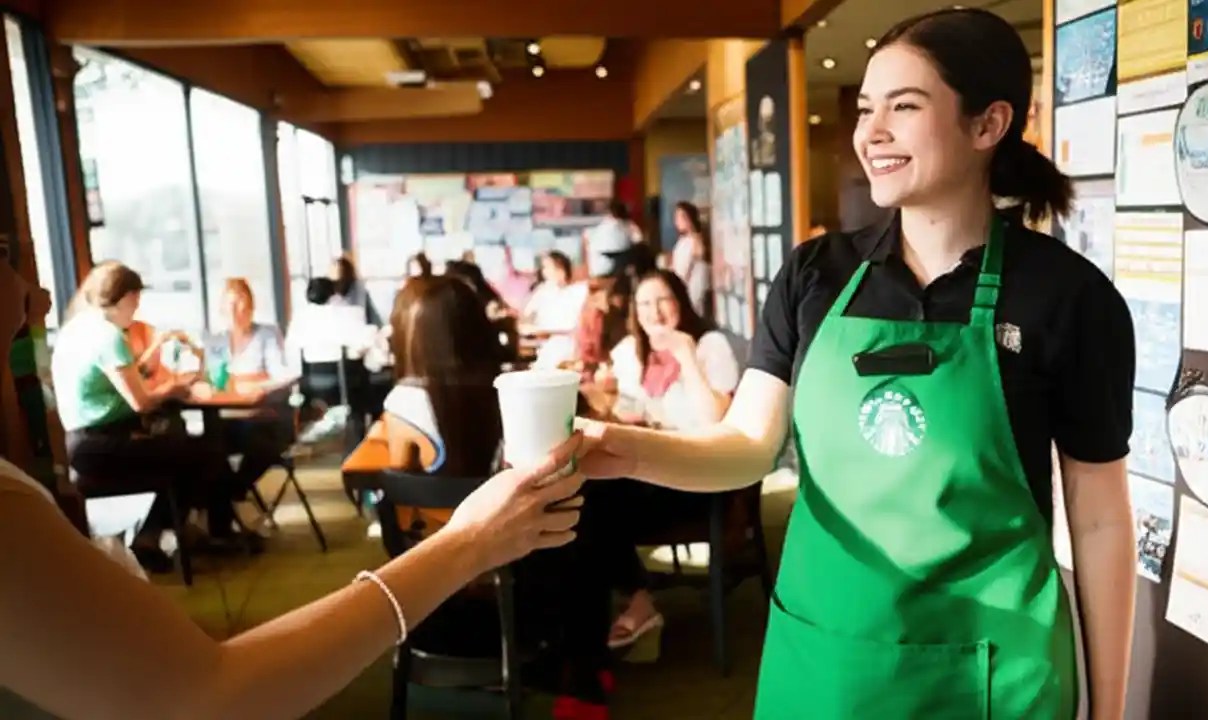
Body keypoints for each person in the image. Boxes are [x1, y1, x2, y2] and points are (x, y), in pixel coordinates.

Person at [578, 9, 1136, 718]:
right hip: (826, 658)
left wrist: (1111, 709)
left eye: (904, 107)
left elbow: (1100, 520)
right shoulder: (816, 276)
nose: (872, 132)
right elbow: (748, 445)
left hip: (994, 675)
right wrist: (623, 451)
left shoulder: (1066, 297)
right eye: (867, 108)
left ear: (988, 125)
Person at [0, 256, 589, 720]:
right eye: (5, 258)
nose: (25, 284)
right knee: (210, 458)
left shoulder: (402, 403)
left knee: (209, 458)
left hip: (435, 615)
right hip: (521, 601)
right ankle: (213, 522)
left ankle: (207, 526)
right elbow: (205, 697)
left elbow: (370, 474)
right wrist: (473, 539)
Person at [357, 274, 612, 713]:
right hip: (532, 591)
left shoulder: (402, 403)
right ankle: (580, 669)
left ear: (411, 337)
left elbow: (398, 495)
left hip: (438, 597)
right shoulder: (515, 393)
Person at [51, 261, 255, 570]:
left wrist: (157, 353)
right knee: (205, 453)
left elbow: (118, 382)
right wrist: (175, 387)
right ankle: (178, 533)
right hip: (105, 446)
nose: (137, 308)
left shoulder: (76, 329)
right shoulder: (108, 336)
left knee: (179, 442)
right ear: (127, 296)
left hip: (80, 446)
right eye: (137, 299)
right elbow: (141, 402)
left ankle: (171, 532)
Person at [583, 270, 739, 652]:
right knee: (583, 490)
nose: (654, 312)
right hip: (652, 473)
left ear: (681, 301)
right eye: (645, 304)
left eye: (663, 300)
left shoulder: (709, 345)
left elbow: (715, 420)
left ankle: (631, 600)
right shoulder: (636, 354)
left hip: (701, 479)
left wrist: (685, 353)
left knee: (593, 502)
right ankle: (608, 609)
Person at [201, 278, 295, 514]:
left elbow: (282, 374)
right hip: (227, 417)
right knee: (208, 447)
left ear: (251, 306)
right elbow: (211, 380)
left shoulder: (267, 334)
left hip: (264, 419)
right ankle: (223, 523)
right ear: (221, 308)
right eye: (230, 305)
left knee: (255, 442)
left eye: (240, 304)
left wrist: (257, 384)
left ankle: (232, 493)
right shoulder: (215, 341)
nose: (235, 311)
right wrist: (249, 378)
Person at [669, 201, 711, 318]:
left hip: (692, 286)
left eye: (681, 217)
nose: (677, 221)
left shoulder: (696, 239)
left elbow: (690, 264)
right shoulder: (682, 240)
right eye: (676, 217)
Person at [585, 200, 642, 278]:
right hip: (621, 272)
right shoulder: (629, 226)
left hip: (597, 271)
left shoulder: (597, 228)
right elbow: (639, 242)